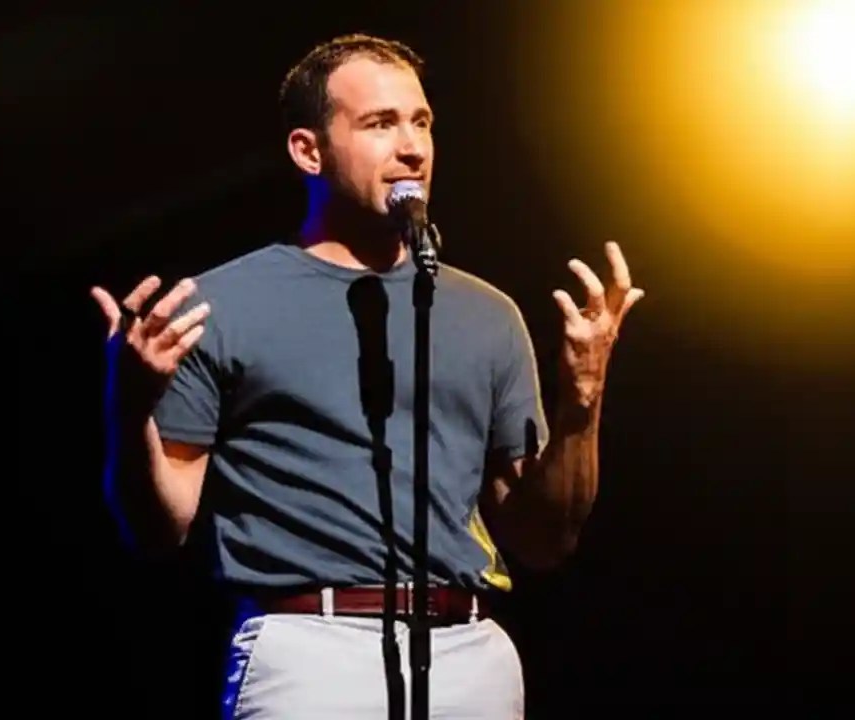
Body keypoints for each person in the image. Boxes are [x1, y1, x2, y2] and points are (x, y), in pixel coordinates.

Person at [89, 33, 643, 719]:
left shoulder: (488, 315)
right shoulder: (219, 305)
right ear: (308, 151)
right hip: (311, 650)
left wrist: (583, 400)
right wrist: (129, 408)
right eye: (380, 124)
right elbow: (158, 527)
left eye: (421, 122)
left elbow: (543, 540)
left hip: (471, 652)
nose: (412, 147)